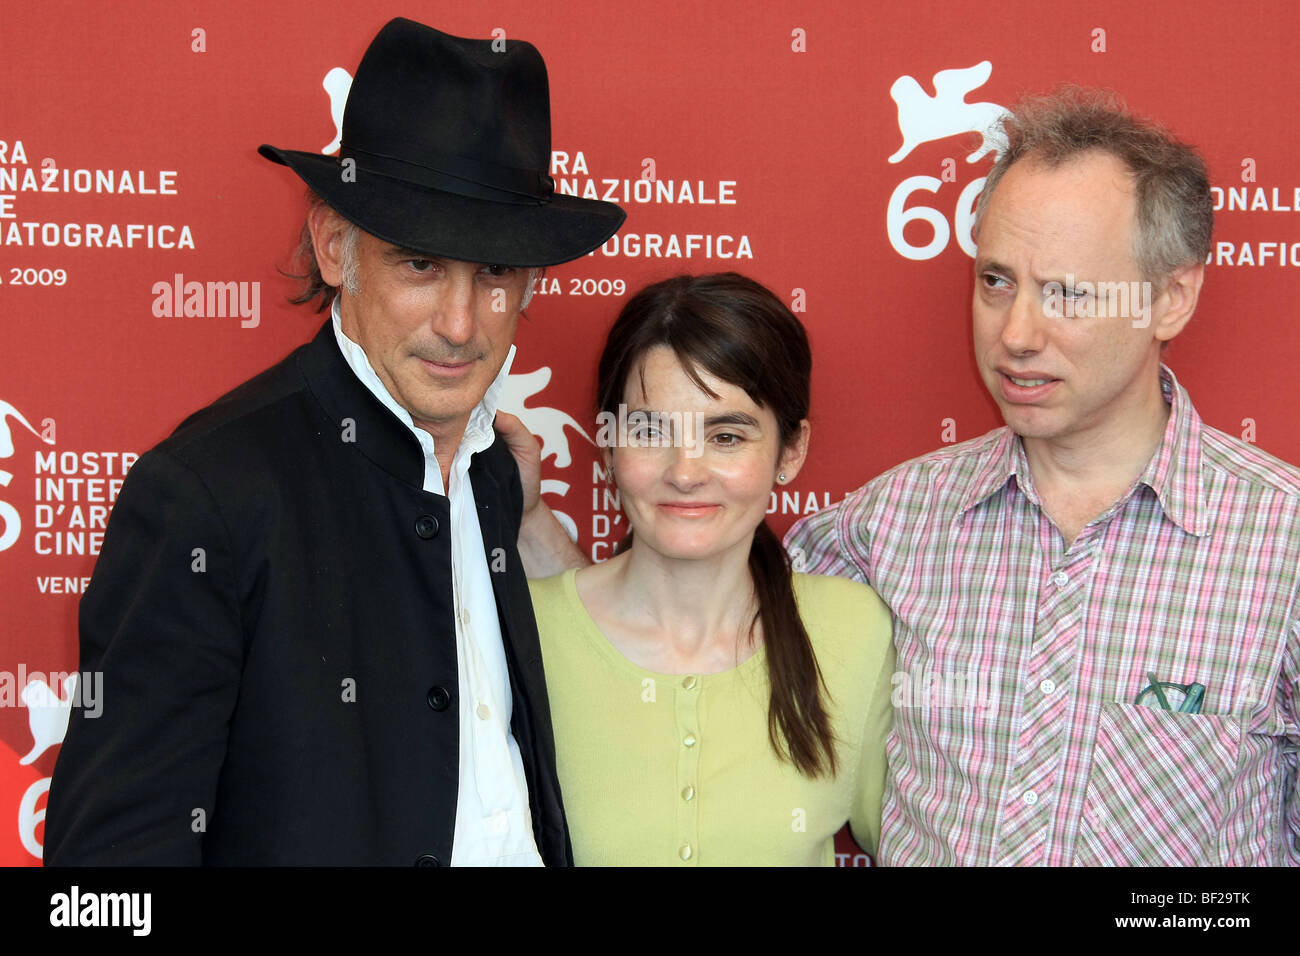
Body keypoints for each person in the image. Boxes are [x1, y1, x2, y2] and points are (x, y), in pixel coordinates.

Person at [43, 18, 625, 866]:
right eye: (420, 264)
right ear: (333, 245)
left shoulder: (496, 475)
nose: (461, 325)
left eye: (494, 272)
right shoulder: (205, 495)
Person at [786, 89, 1300, 866]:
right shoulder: (883, 527)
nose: (1017, 335)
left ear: (1171, 298)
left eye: (1067, 292)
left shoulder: (1283, 546)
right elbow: (675, 640)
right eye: (996, 282)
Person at [527, 273, 895, 865]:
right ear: (609, 442)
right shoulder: (519, 632)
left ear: (791, 450)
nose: (686, 471)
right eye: (650, 431)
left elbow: (928, 842)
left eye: (726, 436)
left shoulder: (856, 633)